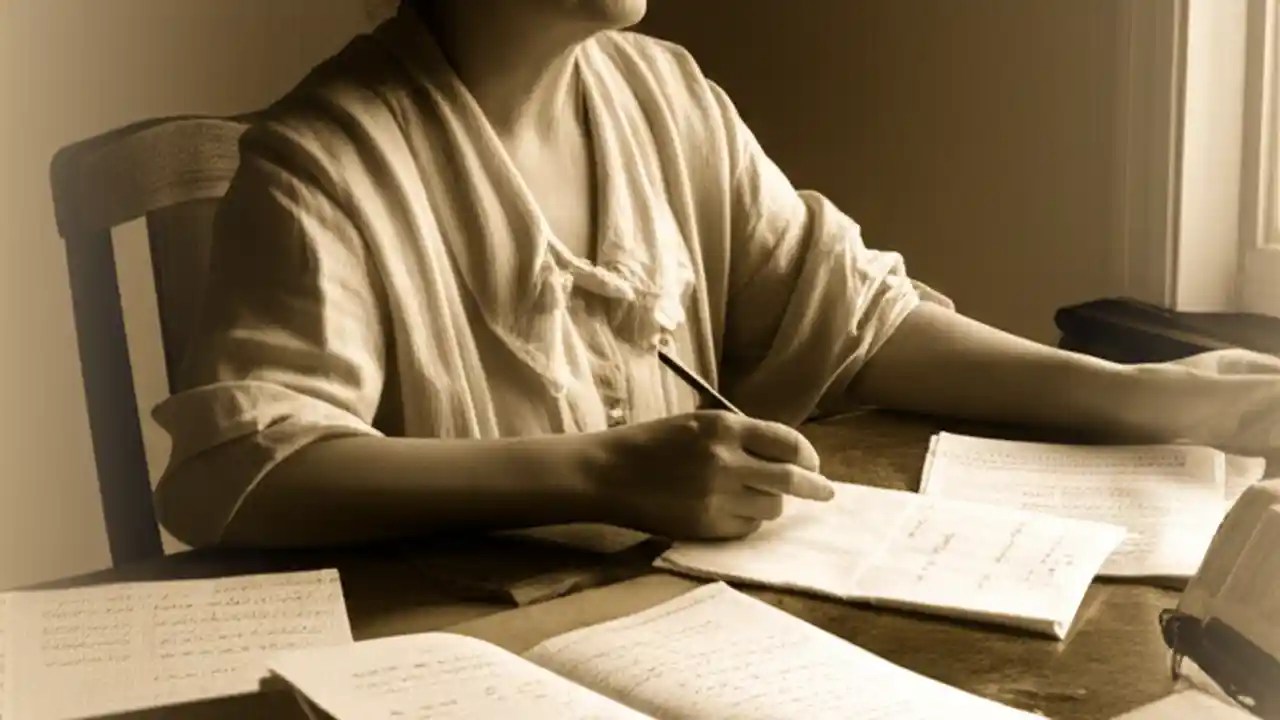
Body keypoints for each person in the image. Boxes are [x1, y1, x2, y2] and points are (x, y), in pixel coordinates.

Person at [153, 0, 1280, 550]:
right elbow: (242, 476)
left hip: (682, 635)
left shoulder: (662, 96)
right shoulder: (324, 164)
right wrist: (596, 472)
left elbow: (854, 317)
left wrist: (1146, 397)